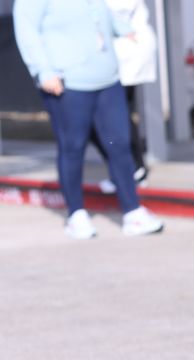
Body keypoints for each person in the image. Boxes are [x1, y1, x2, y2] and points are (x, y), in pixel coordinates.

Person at [14, 0, 164, 239]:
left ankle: (132, 211)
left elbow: (98, 13)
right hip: (66, 82)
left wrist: (121, 28)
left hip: (107, 78)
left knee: (120, 144)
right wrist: (43, 71)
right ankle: (76, 214)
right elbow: (26, 30)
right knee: (72, 148)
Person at [94, 0, 157, 193]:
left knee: (114, 117)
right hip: (125, 55)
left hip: (123, 56)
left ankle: (132, 169)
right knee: (120, 116)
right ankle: (131, 169)